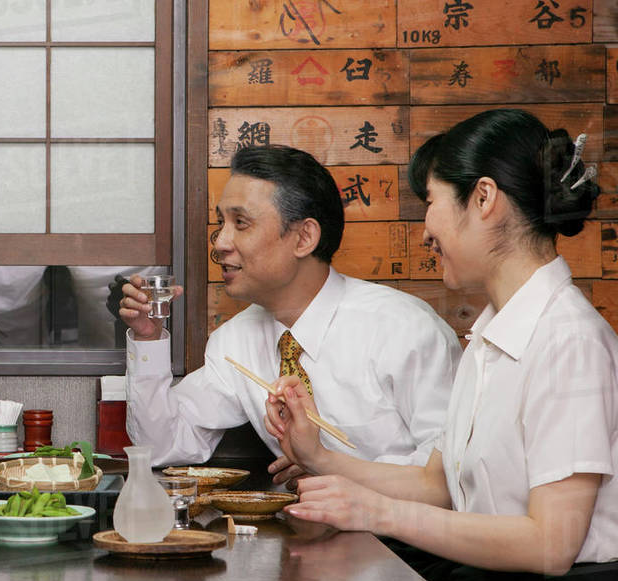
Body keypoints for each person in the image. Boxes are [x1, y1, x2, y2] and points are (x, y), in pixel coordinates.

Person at [266, 109, 618, 581]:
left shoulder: (569, 338)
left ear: (483, 198)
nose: (425, 230)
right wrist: (317, 456)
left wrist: (377, 512)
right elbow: (439, 484)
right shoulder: (488, 336)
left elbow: (551, 545)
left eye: (431, 201)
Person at [119, 145, 461, 482]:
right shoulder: (235, 341)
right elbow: (163, 445)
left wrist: (330, 466)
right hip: (310, 527)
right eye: (221, 222)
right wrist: (147, 339)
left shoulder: (404, 329)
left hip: (403, 533)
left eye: (241, 223)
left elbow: (450, 474)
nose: (220, 242)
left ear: (304, 238)